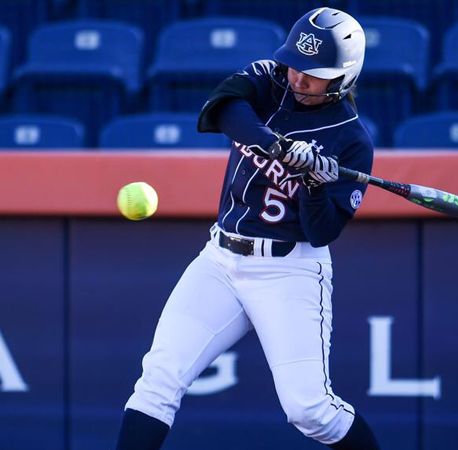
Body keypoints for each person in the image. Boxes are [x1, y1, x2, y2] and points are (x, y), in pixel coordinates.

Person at [115, 7, 379, 450]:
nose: (298, 78)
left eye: (314, 74)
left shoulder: (351, 141)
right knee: (159, 379)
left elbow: (321, 232)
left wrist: (314, 182)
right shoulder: (268, 77)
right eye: (296, 63)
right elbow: (223, 109)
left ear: (343, 79)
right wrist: (278, 148)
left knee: (309, 410)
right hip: (220, 259)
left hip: (289, 270)